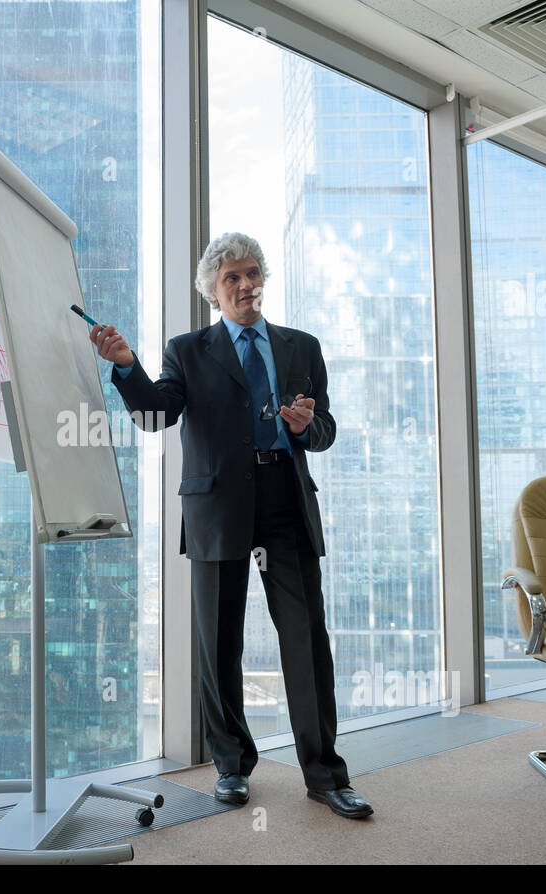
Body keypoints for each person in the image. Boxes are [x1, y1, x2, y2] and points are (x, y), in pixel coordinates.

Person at [89, 232, 372, 819]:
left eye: (251, 274)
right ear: (213, 294)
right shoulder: (188, 350)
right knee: (219, 642)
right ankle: (231, 767)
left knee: (305, 639)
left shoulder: (301, 347)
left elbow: (325, 431)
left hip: (285, 501)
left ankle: (324, 773)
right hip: (217, 505)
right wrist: (126, 367)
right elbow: (153, 415)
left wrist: (303, 428)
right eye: (231, 280)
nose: (245, 285)